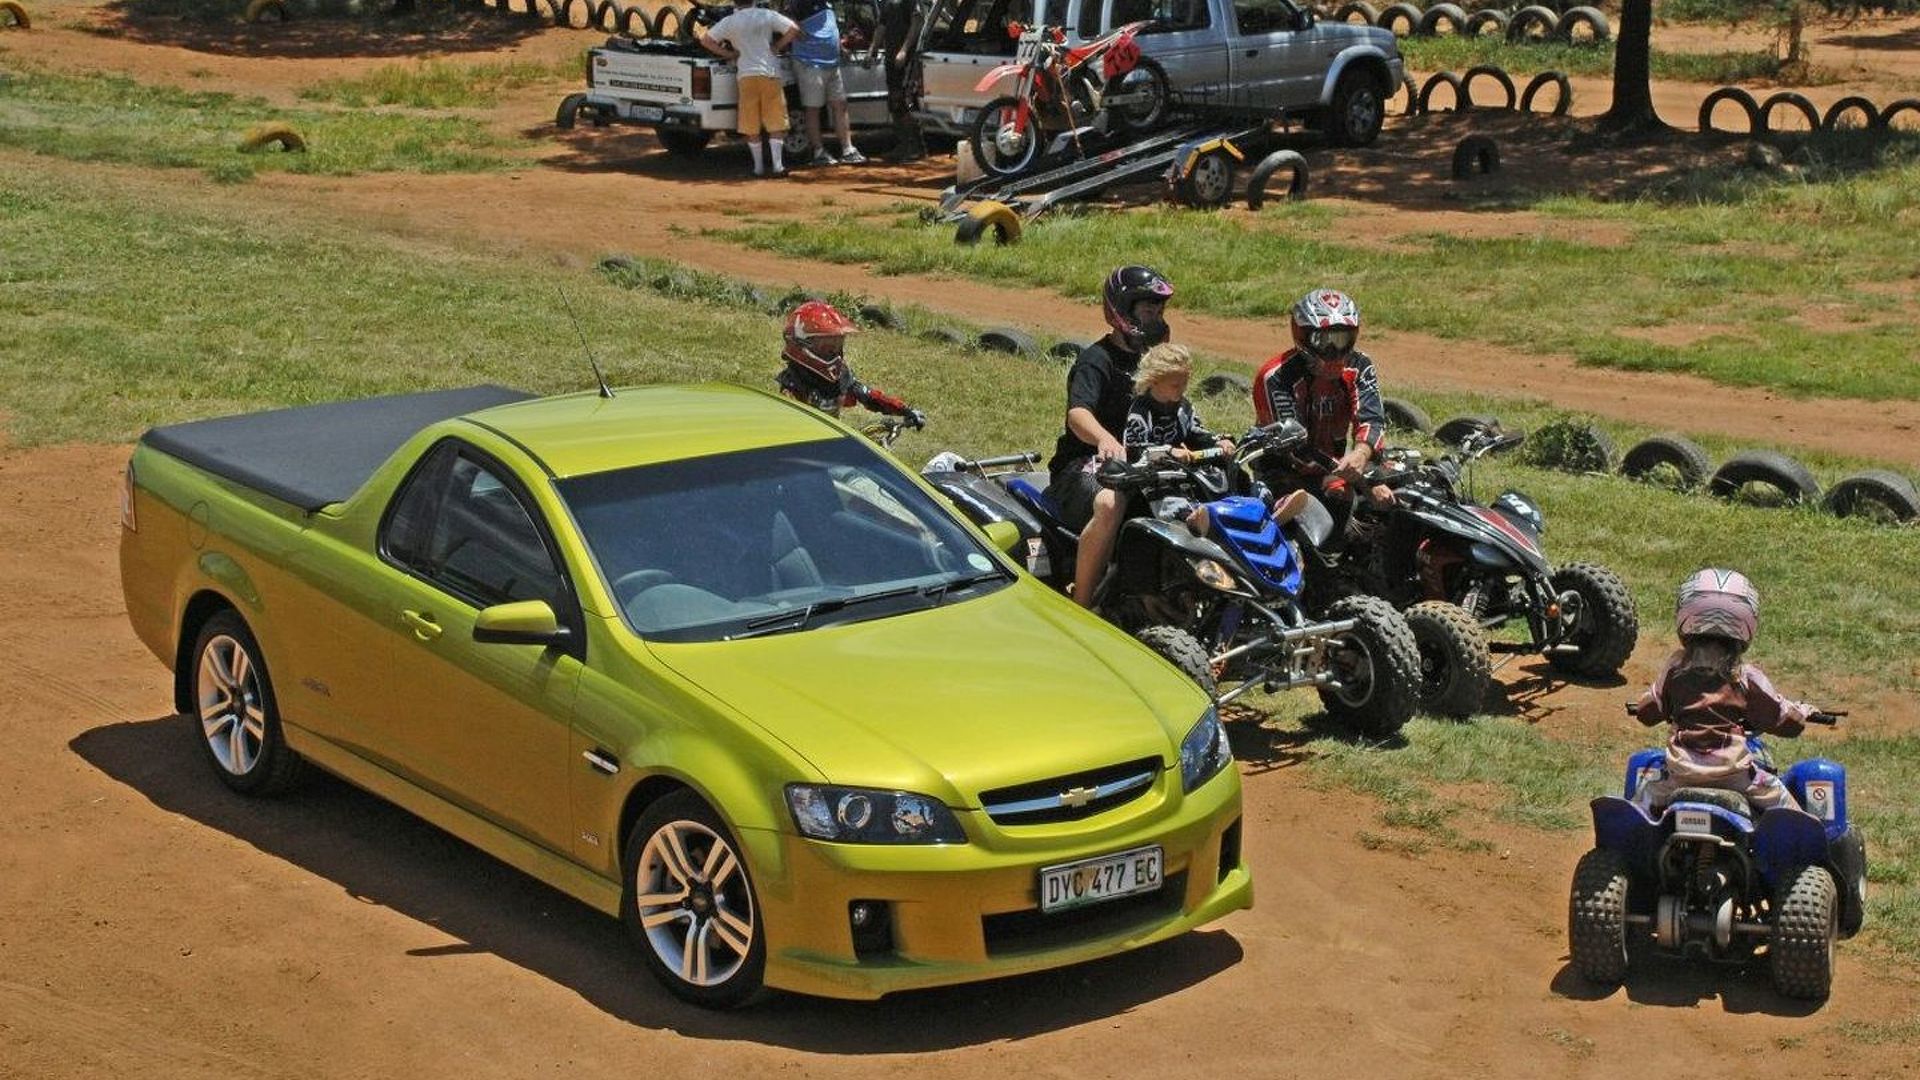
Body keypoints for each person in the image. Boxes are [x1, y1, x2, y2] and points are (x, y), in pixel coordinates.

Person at [1044, 265, 1174, 608]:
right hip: (1084, 466)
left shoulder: (1155, 362)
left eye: (1160, 312)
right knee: (1109, 503)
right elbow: (1078, 414)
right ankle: (1083, 604)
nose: (1156, 319)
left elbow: (1176, 404)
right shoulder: (1097, 360)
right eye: (1148, 311)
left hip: (1139, 465)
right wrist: (1104, 438)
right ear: (1122, 310)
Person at [1631, 568, 1813, 813]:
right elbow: (1785, 721)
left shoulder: (1675, 668)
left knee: (1636, 809)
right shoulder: (1745, 676)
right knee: (1788, 811)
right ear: (1746, 621)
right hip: (1735, 777)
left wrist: (1646, 704)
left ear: (1686, 614)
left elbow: (1648, 711)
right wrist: (1800, 713)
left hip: (1680, 776)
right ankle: (1798, 849)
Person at [1251, 289, 1395, 530]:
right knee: (1337, 498)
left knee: (1405, 490)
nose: (1336, 351)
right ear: (1303, 336)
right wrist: (1362, 480)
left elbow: (1372, 418)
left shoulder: (1360, 365)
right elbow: (1296, 449)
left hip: (1339, 463)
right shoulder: (1276, 377)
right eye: (1324, 341)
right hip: (1286, 471)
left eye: (1343, 339)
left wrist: (1361, 456)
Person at [775, 300, 925, 425]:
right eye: (827, 346)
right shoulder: (793, 383)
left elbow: (869, 396)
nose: (834, 351)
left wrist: (905, 410)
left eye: (837, 345)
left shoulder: (841, 376)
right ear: (802, 345)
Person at [700, 0, 802, 178]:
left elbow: (706, 40)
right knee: (775, 121)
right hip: (769, 73)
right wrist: (777, 46)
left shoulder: (730, 21)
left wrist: (730, 54)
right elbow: (793, 29)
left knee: (750, 124)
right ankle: (778, 166)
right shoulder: (766, 15)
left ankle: (758, 168)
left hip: (746, 75)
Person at [788, 0, 868, 165]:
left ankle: (848, 149)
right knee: (813, 108)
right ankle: (818, 152)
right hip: (810, 62)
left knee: (840, 104)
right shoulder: (799, 3)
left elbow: (830, 28)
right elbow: (790, 24)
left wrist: (839, 46)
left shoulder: (828, 5)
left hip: (832, 63)